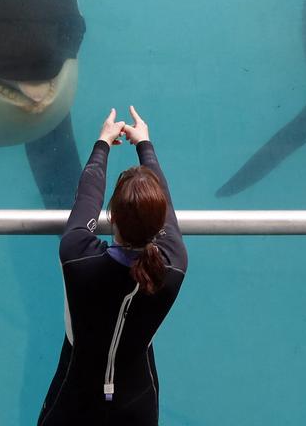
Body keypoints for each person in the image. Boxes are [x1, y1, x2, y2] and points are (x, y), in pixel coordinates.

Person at [38, 106, 188, 426]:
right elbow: (167, 206)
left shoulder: (78, 255)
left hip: (74, 397)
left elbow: (86, 198)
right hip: (137, 400)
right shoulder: (173, 264)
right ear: (158, 224)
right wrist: (144, 145)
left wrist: (102, 143)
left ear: (114, 218)